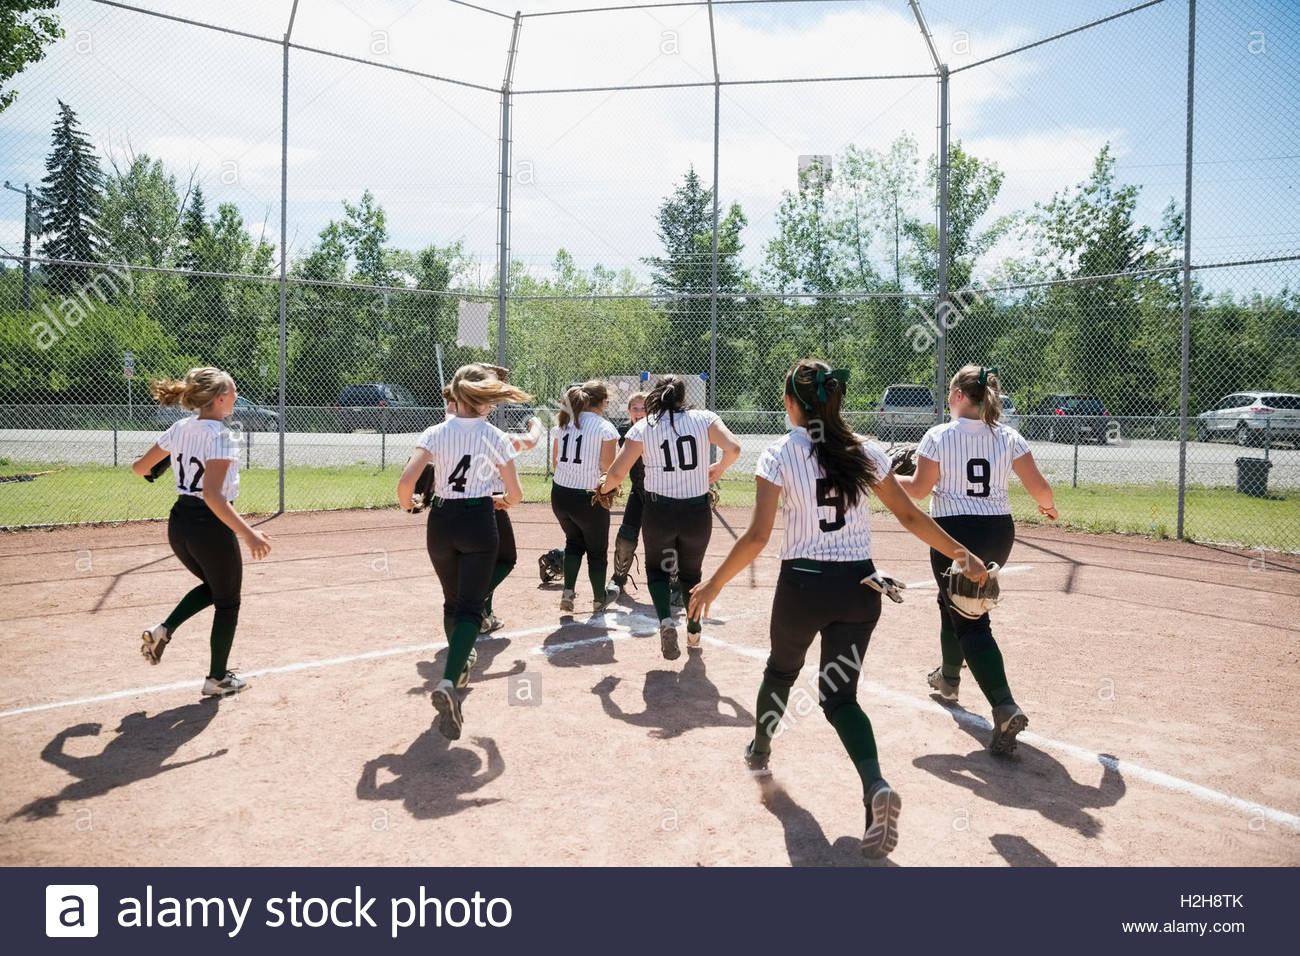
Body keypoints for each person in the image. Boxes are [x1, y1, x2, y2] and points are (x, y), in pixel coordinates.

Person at [688, 359, 989, 859]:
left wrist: (713, 584)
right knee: (842, 698)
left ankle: (760, 751)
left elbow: (759, 536)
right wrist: (966, 555)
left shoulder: (781, 452)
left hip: (803, 586)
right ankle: (875, 785)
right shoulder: (866, 450)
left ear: (792, 403)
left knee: (781, 672)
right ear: (836, 401)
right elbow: (911, 514)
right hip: (859, 587)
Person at [894, 364, 1057, 755]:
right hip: (998, 533)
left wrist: (882, 474)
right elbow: (1040, 489)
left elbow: (917, 491)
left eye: (950, 394)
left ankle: (1004, 706)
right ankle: (949, 678)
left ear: (957, 397)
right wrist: (1048, 507)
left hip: (954, 536)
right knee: (954, 603)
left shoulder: (937, 436)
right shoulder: (1008, 436)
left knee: (971, 621)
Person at [398, 365, 529, 740]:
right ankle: (448, 682)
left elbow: (406, 483)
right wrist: (503, 501)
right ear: (484, 402)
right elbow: (516, 494)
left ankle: (459, 668)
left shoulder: (435, 432)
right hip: (478, 519)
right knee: (471, 607)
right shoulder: (496, 436)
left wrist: (409, 506)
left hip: (441, 520)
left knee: (451, 602)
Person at [131, 367, 271, 697]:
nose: (237, 397)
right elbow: (212, 495)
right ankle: (217, 679)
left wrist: (162, 463)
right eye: (234, 392)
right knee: (228, 602)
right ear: (220, 399)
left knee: (215, 589)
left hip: (180, 524)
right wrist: (249, 534)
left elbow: (139, 468)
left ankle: (164, 630)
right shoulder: (222, 436)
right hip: (210, 526)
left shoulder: (180, 427)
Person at [598, 375, 741, 660]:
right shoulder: (704, 418)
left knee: (657, 570)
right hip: (696, 512)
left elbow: (616, 473)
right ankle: (693, 628)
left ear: (656, 396)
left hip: (659, 511)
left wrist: (602, 487)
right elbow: (734, 448)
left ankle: (665, 621)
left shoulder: (644, 427)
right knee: (691, 575)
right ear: (683, 396)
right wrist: (720, 467)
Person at [549, 380, 622, 615]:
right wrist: (610, 489)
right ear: (600, 402)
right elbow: (607, 469)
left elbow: (555, 463)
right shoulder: (605, 428)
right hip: (589, 497)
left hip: (560, 495)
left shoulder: (564, 423)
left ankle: (568, 593)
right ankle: (599, 598)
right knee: (597, 550)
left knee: (573, 542)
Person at [609, 390, 648, 593]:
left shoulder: (658, 429)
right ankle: (618, 578)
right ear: (629, 411)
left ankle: (675, 584)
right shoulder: (624, 432)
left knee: (666, 539)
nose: (640, 412)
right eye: (635, 408)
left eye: (644, 408)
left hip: (662, 494)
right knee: (625, 537)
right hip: (638, 492)